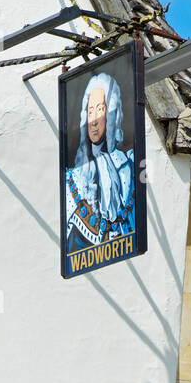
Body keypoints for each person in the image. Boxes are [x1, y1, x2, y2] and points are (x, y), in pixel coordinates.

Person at [64, 72, 135, 261]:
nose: (93, 120)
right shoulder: (73, 178)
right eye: (90, 111)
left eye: (100, 110)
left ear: (111, 113)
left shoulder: (129, 166)